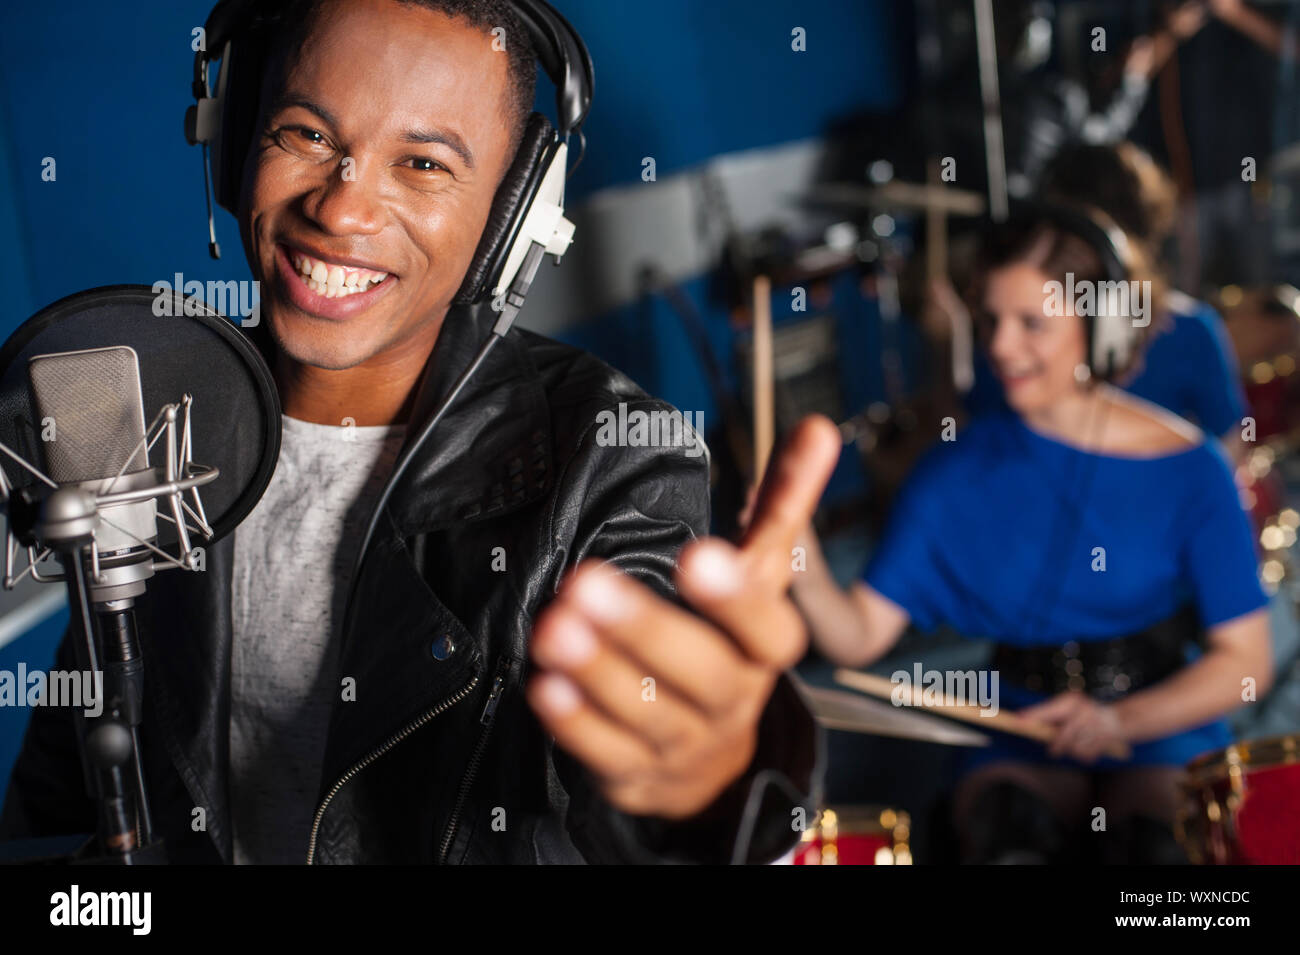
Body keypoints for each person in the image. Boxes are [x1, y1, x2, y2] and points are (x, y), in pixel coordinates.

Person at [0, 0, 842, 864]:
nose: (342, 208)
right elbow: (69, 781)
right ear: (235, 138)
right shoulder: (149, 405)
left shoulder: (612, 456)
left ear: (510, 223)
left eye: (423, 163)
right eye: (307, 135)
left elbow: (646, 757)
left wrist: (713, 783)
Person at [790, 209, 1274, 863]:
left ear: (1102, 326)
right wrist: (795, 547)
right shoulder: (951, 471)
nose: (1001, 347)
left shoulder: (1193, 470)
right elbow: (855, 636)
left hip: (1160, 718)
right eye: (990, 320)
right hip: (1020, 719)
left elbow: (1245, 662)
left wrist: (1119, 721)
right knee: (1007, 836)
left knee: (1151, 854)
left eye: (1032, 324)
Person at [965, 142, 1251, 462]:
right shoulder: (1196, 328)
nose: (1003, 346)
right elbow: (1233, 453)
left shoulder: (1006, 332)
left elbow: (964, 432)